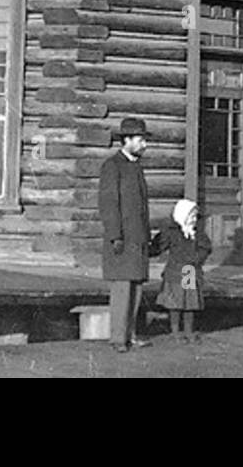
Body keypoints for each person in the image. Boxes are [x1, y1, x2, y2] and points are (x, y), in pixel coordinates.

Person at [99, 117, 152, 352]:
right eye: (140, 140)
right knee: (122, 289)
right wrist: (115, 236)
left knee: (136, 289)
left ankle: (130, 335)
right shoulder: (113, 166)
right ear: (127, 140)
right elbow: (108, 204)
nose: (144, 145)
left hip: (138, 239)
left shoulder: (136, 167)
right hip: (121, 239)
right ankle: (118, 339)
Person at [151, 198, 211, 342]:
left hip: (189, 271)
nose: (194, 219)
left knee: (189, 303)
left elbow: (205, 248)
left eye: (195, 217)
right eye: (191, 216)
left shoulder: (197, 234)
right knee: (175, 303)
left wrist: (196, 258)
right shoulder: (172, 232)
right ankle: (175, 331)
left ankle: (188, 331)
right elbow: (158, 246)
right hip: (175, 271)